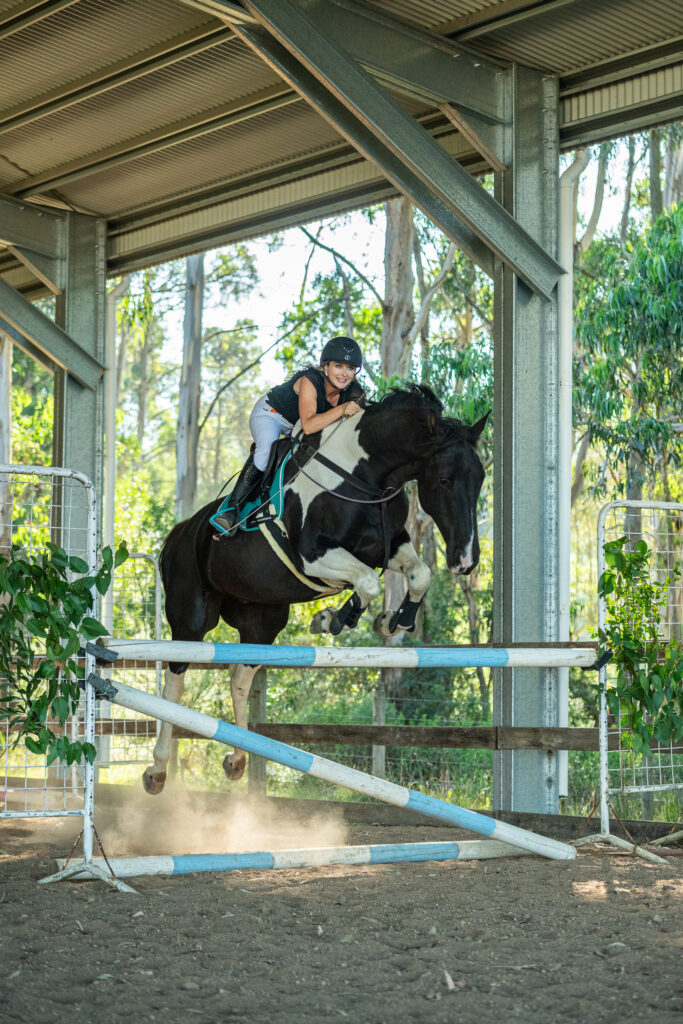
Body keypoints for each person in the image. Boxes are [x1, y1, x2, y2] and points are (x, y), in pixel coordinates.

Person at [215, 336, 365, 535]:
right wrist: (343, 409)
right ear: (326, 366)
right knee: (266, 450)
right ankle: (231, 510)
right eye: (339, 366)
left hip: (297, 426)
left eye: (350, 368)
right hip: (271, 415)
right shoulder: (310, 380)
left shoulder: (353, 391)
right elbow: (310, 425)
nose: (345, 374)